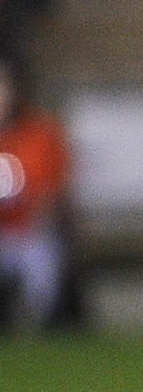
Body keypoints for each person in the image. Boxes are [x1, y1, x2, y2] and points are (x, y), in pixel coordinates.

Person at [0, 58, 72, 331]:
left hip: (28, 231)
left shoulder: (40, 132)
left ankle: (40, 324)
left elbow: (53, 189)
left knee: (42, 262)